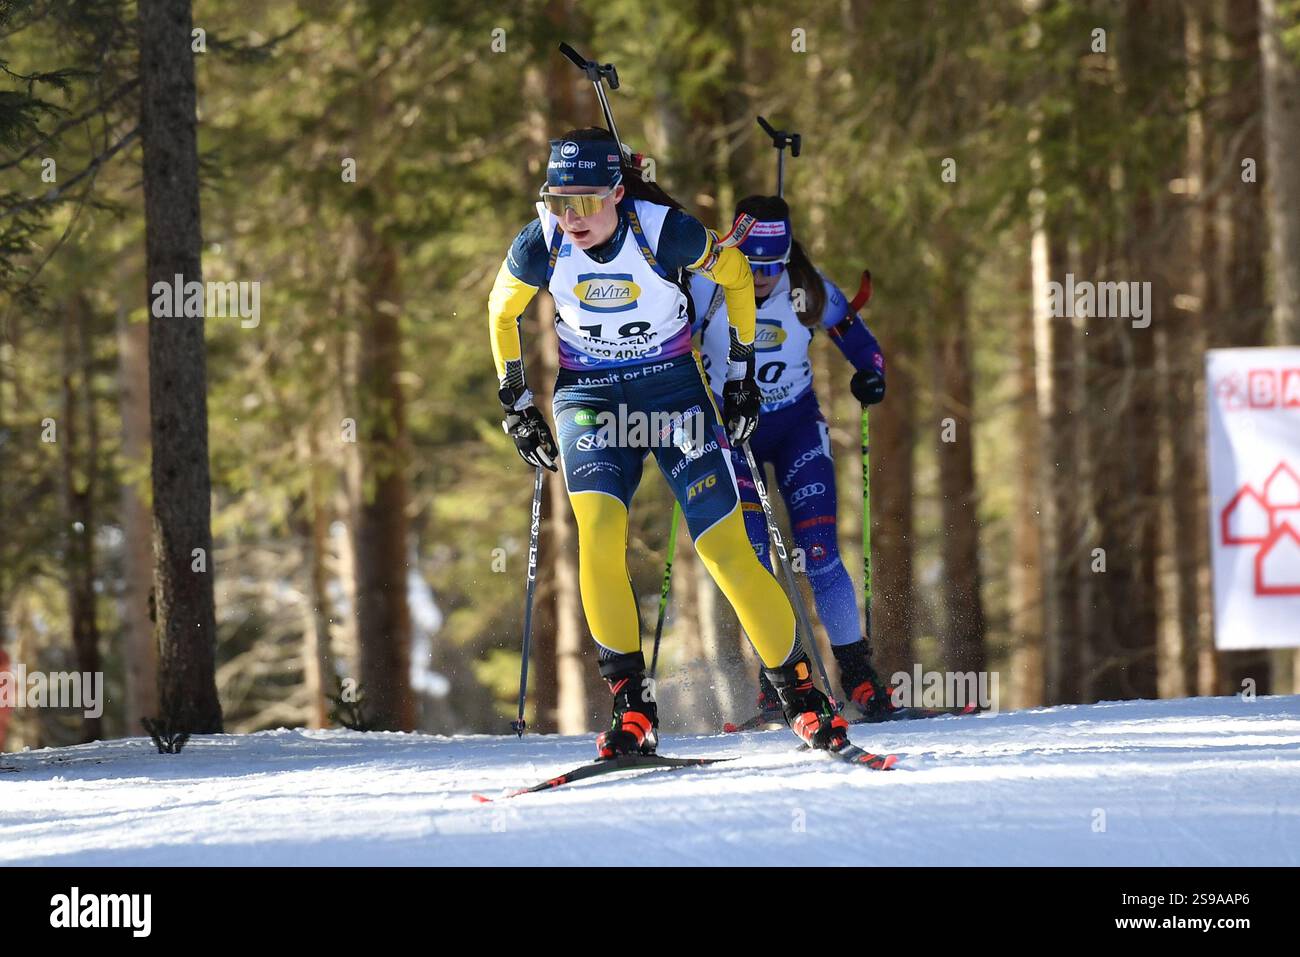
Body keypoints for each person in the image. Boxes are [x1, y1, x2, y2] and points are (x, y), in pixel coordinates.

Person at [486, 129, 858, 756]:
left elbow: (737, 276)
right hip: (593, 399)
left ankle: (802, 697)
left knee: (726, 550)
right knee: (599, 535)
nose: (570, 217)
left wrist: (739, 374)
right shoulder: (542, 241)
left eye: (584, 201)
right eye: (557, 200)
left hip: (673, 395)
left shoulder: (665, 231)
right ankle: (632, 706)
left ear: (617, 191)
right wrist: (516, 402)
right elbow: (501, 311)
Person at [690, 194, 897, 721]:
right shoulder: (706, 284)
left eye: (772, 266)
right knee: (755, 558)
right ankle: (777, 680)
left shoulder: (806, 287)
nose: (762, 277)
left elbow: (861, 342)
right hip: (731, 434)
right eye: (753, 265)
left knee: (820, 551)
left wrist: (870, 374)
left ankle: (859, 676)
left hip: (797, 427)